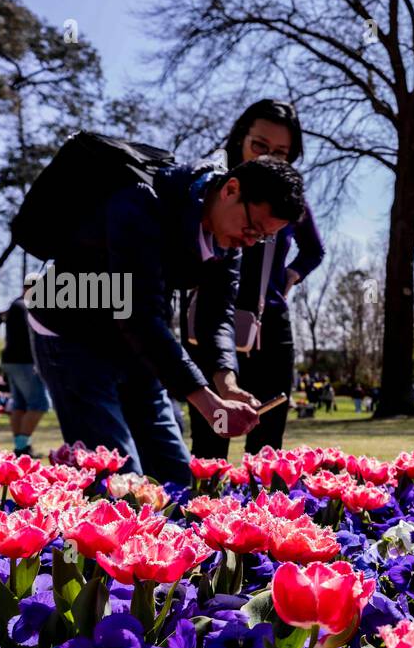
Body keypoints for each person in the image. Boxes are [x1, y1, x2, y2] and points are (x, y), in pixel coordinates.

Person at [26, 154, 305, 483]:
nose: (250, 241)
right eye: (251, 228)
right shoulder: (141, 202)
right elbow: (138, 314)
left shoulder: (228, 241)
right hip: (71, 327)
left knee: (177, 476)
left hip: (137, 341)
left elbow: (217, 315)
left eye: (262, 237)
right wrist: (206, 401)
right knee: (118, 479)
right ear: (231, 189)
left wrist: (226, 384)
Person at [187, 99, 326, 458]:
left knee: (267, 441)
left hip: (269, 322)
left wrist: (289, 278)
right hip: (211, 317)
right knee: (210, 438)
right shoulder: (213, 187)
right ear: (240, 139)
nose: (268, 159)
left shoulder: (290, 203)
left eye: (281, 153)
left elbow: (314, 250)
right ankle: (207, 507)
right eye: (259, 146)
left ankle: (263, 512)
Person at [0, 297, 49, 455]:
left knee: (20, 405)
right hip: (25, 361)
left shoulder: (15, 305)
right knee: (39, 404)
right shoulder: (28, 306)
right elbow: (34, 336)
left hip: (11, 360)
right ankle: (22, 447)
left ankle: (21, 446)